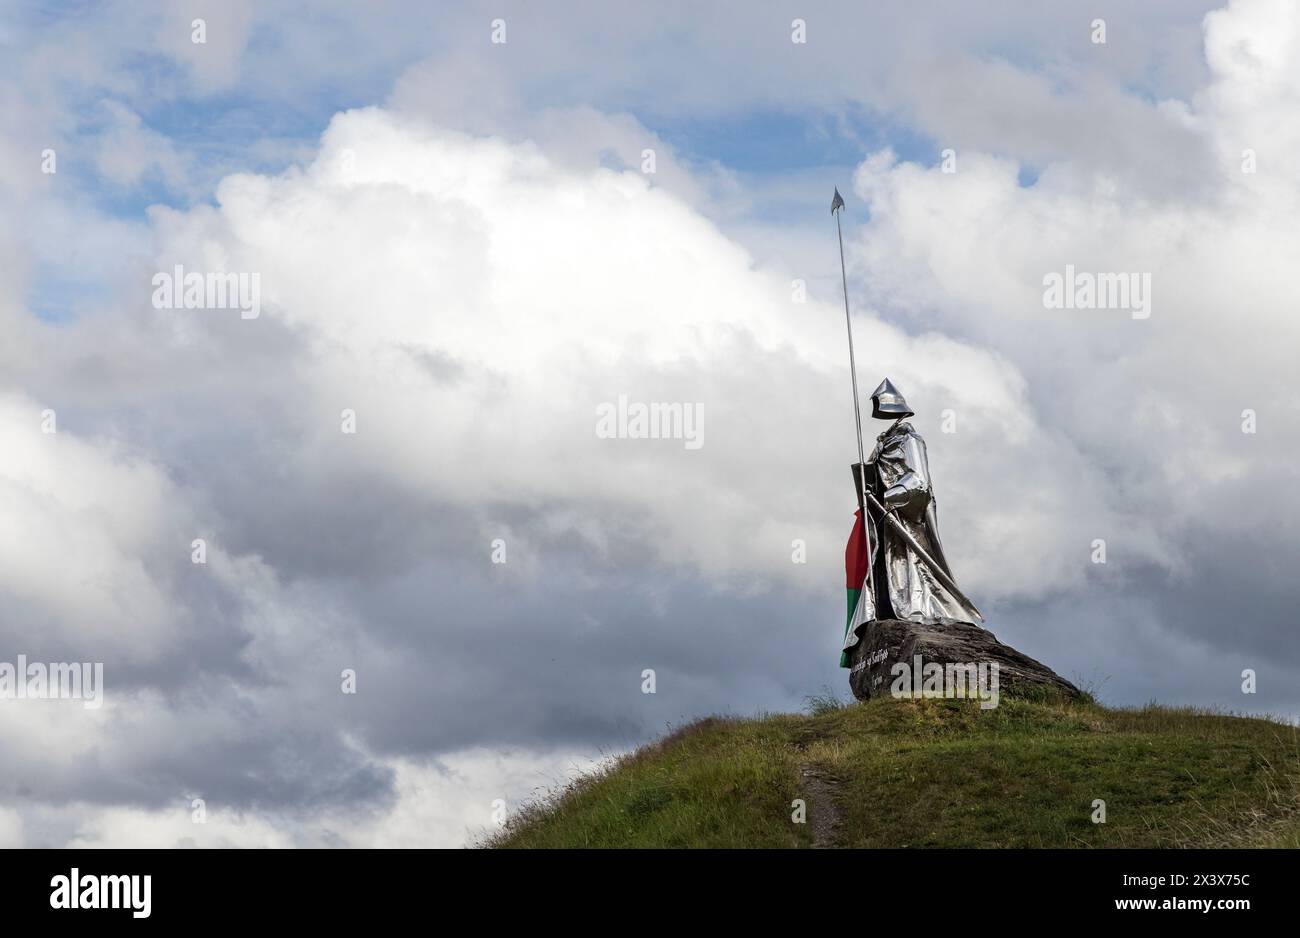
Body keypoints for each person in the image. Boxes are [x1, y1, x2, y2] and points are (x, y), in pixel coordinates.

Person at [841, 378, 981, 667]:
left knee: (911, 570)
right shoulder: (883, 444)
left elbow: (919, 481)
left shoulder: (909, 440)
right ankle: (884, 614)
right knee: (881, 569)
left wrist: (889, 496)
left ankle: (917, 610)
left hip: (904, 518)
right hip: (883, 518)